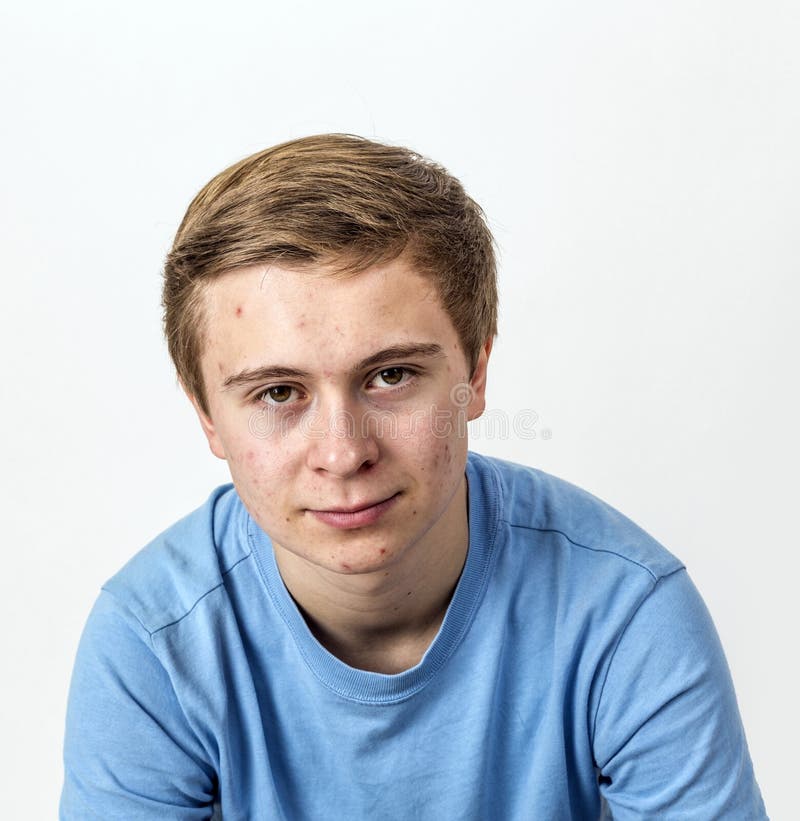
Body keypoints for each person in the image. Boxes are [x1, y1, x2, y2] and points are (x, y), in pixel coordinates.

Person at [60, 134, 767, 820]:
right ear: (207, 416)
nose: (342, 454)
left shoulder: (626, 610)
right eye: (278, 392)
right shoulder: (152, 643)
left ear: (476, 374)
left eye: (391, 375)